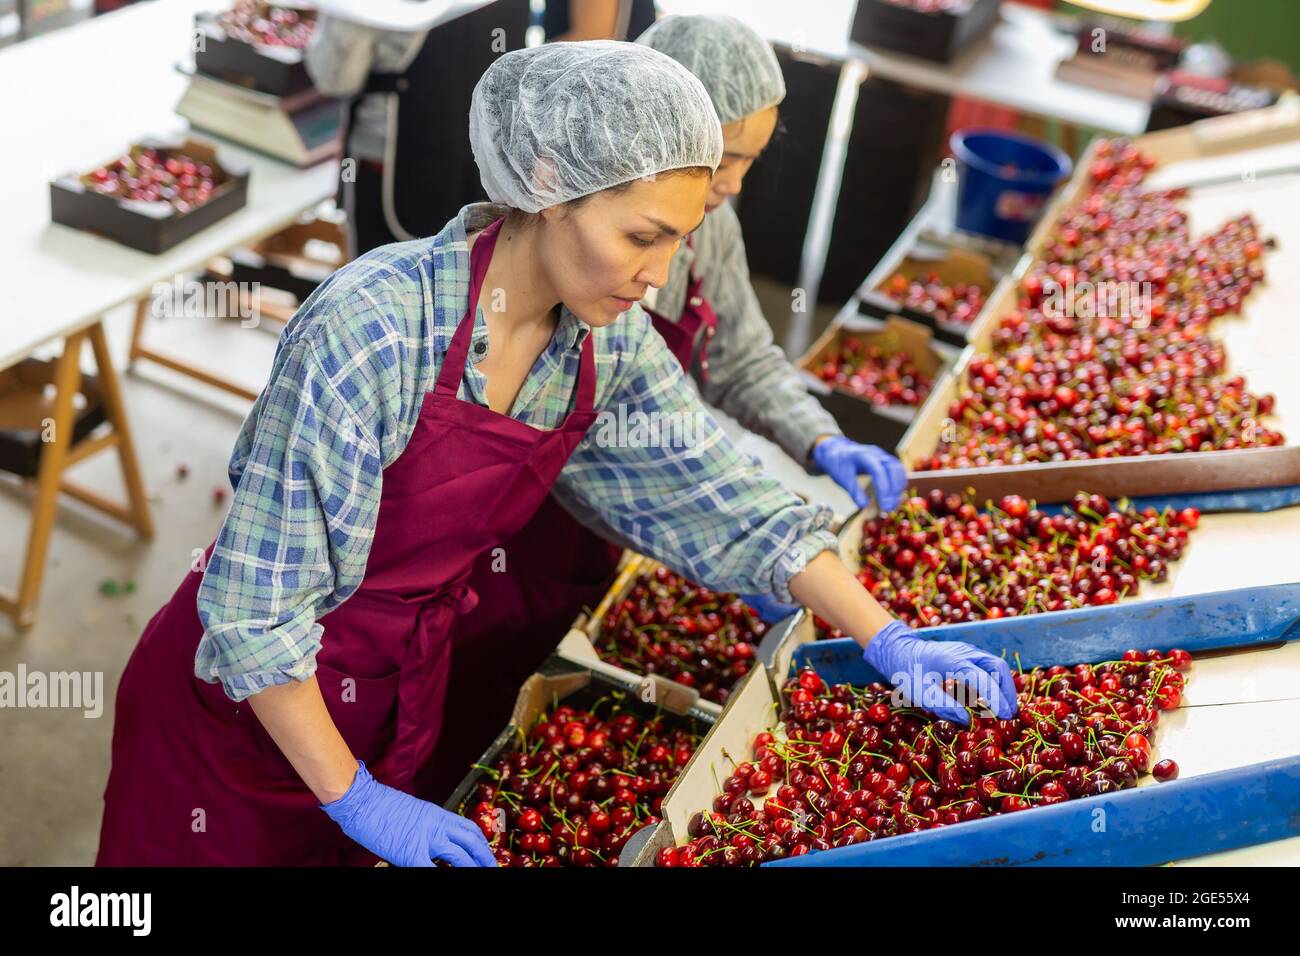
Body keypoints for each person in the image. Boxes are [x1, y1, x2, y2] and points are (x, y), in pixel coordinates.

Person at [97, 42, 1014, 867]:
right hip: (235, 729)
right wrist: (360, 800)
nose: (661, 275)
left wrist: (885, 634)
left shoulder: (601, 342)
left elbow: (720, 489)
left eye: (679, 242)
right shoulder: (373, 334)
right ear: (546, 183)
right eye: (641, 237)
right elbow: (256, 618)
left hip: (390, 697)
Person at [436, 15, 910, 791]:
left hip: (598, 533)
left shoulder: (637, 307)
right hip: (490, 554)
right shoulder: (412, 321)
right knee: (462, 700)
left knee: (488, 738)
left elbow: (706, 430)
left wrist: (819, 453)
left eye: (753, 160)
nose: (732, 186)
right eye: (730, 155)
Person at [305, 0, 532, 255]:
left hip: (396, 171)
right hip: (487, 174)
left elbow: (335, 76)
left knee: (379, 287)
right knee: (465, 284)